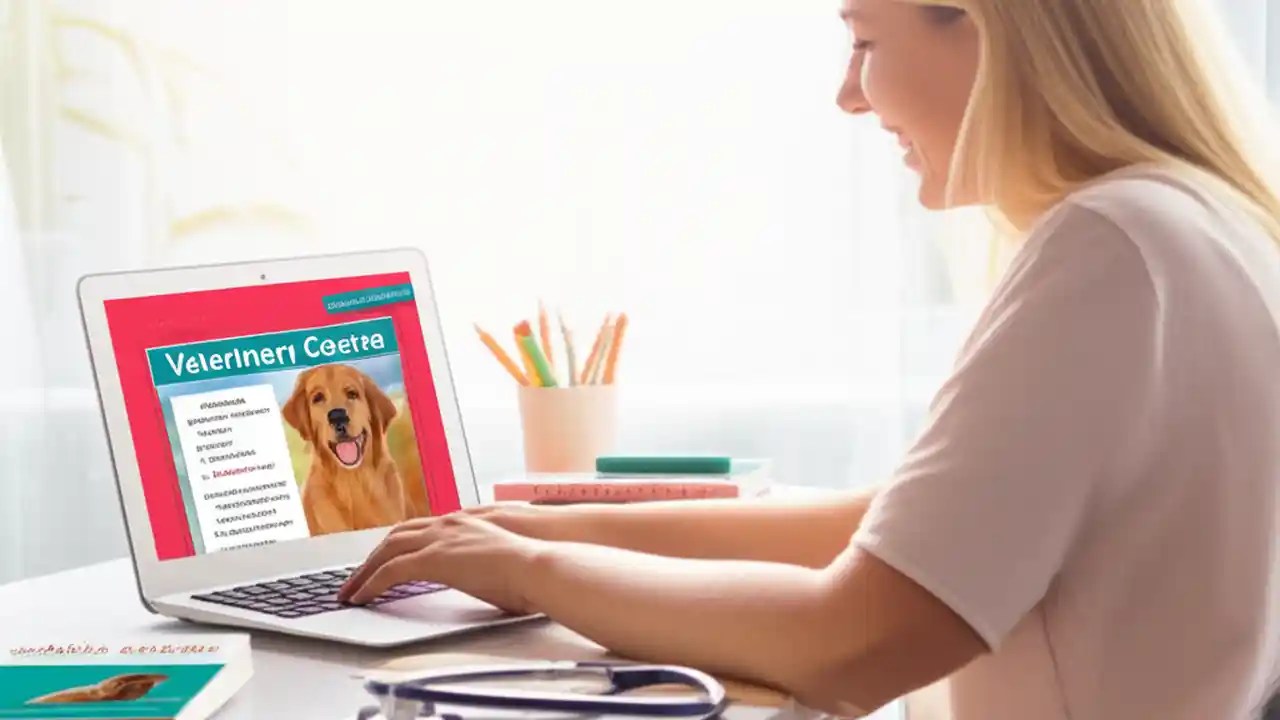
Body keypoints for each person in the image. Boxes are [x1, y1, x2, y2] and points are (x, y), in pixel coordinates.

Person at [339, 0, 1280, 717]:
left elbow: (850, 642)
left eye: (866, 40)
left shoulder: (1109, 250)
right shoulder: (1196, 224)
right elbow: (884, 533)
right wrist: (532, 530)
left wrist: (528, 575)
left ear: (992, 28)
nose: (848, 92)